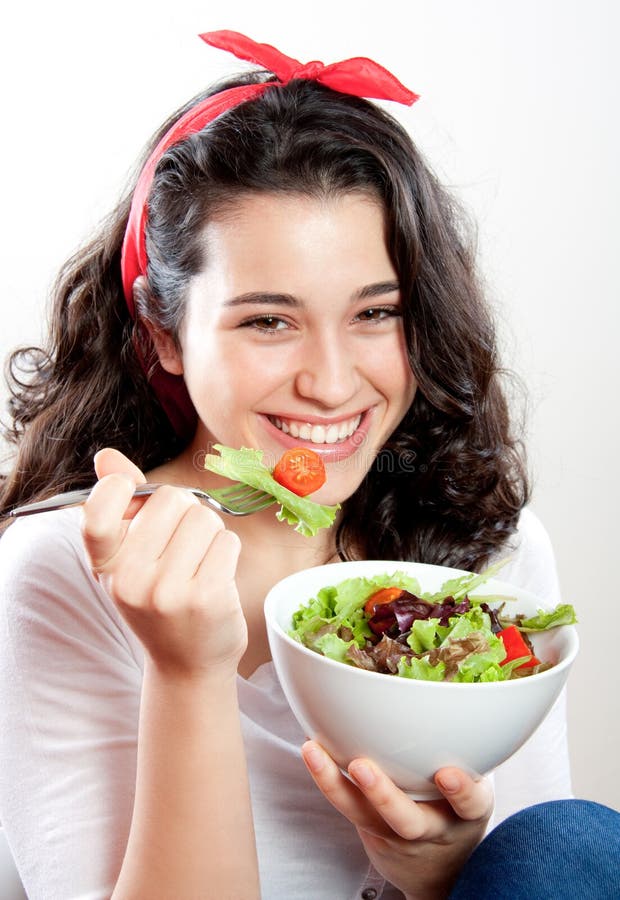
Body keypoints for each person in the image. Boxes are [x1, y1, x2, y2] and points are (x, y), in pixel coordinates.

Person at [0, 29, 618, 900]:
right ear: (163, 335)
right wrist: (186, 671)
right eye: (268, 321)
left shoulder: (488, 551)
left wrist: (437, 869)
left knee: (571, 844)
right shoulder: (67, 567)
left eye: (376, 314)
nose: (333, 385)